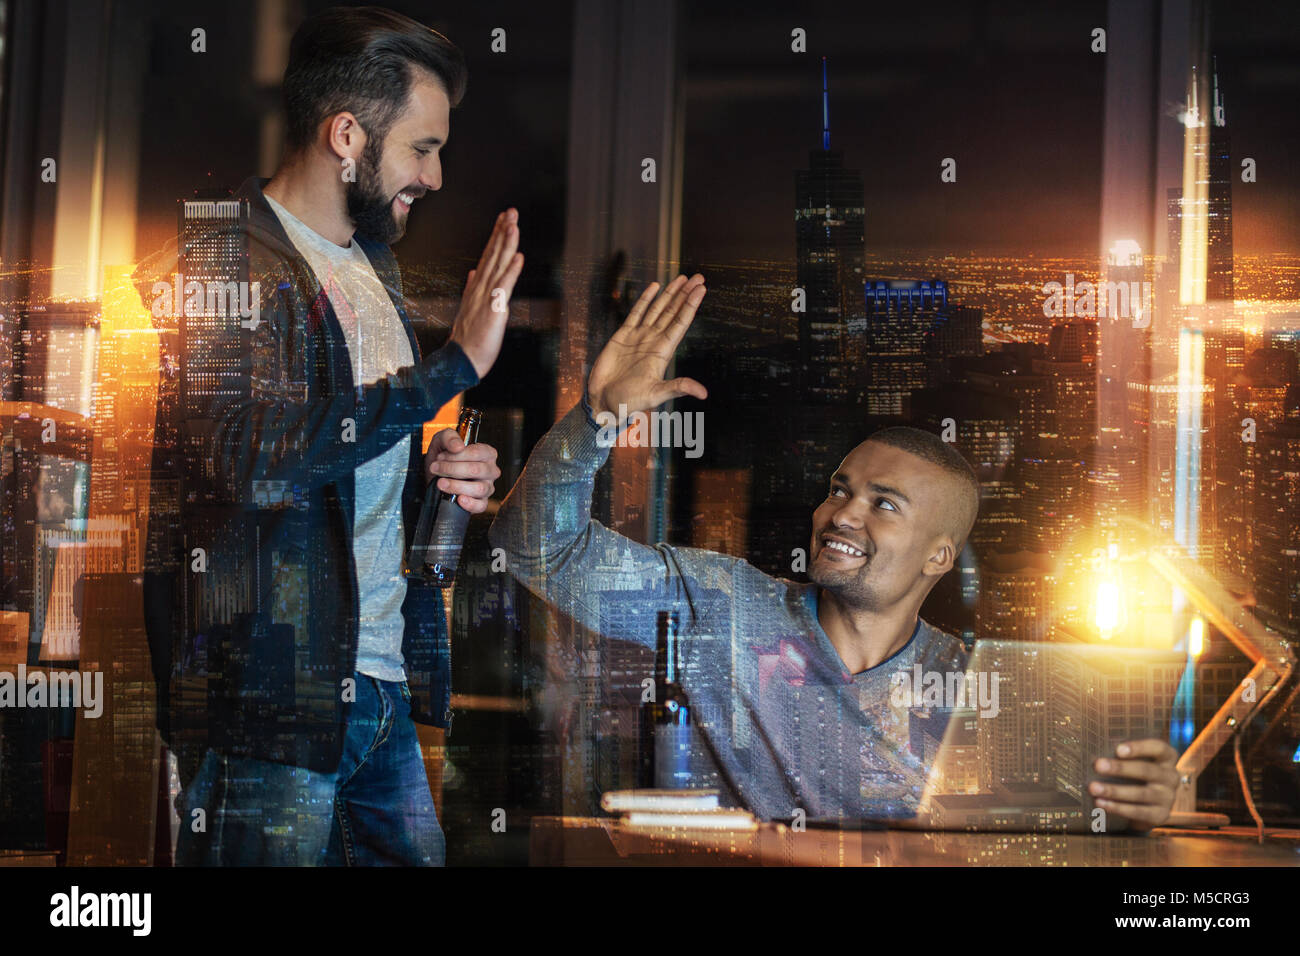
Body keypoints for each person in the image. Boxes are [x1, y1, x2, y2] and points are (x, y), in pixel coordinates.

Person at [487, 274, 1180, 828]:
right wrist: (597, 418)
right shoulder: (722, 608)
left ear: (939, 557)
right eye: (839, 489)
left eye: (883, 504)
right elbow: (536, 546)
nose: (840, 513)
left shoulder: (971, 691)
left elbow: (1068, 811)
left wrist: (1139, 802)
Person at [137, 6, 517, 865]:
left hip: (378, 690)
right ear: (347, 134)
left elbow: (343, 468)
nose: (438, 175)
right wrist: (450, 368)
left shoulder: (370, 271)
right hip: (272, 709)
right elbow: (252, 461)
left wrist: (440, 474)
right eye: (422, 148)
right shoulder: (218, 259)